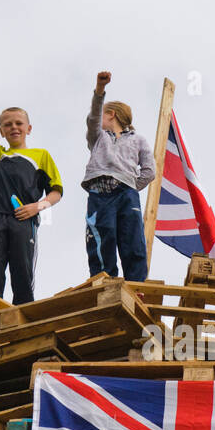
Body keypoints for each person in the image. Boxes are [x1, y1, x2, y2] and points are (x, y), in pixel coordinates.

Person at [0, 57, 63, 304]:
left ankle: (23, 324)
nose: (13, 127)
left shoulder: (41, 156)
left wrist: (36, 207)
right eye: (7, 125)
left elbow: (56, 192)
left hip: (24, 219)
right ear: (1, 131)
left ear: (29, 128)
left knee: (22, 276)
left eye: (19, 123)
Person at [82, 71, 155, 281]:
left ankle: (137, 285)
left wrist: (129, 184)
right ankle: (104, 281)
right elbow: (93, 118)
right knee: (101, 236)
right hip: (100, 194)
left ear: (112, 114)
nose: (98, 119)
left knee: (132, 239)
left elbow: (150, 171)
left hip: (127, 195)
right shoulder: (97, 137)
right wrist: (99, 90)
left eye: (104, 114)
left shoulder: (138, 140)